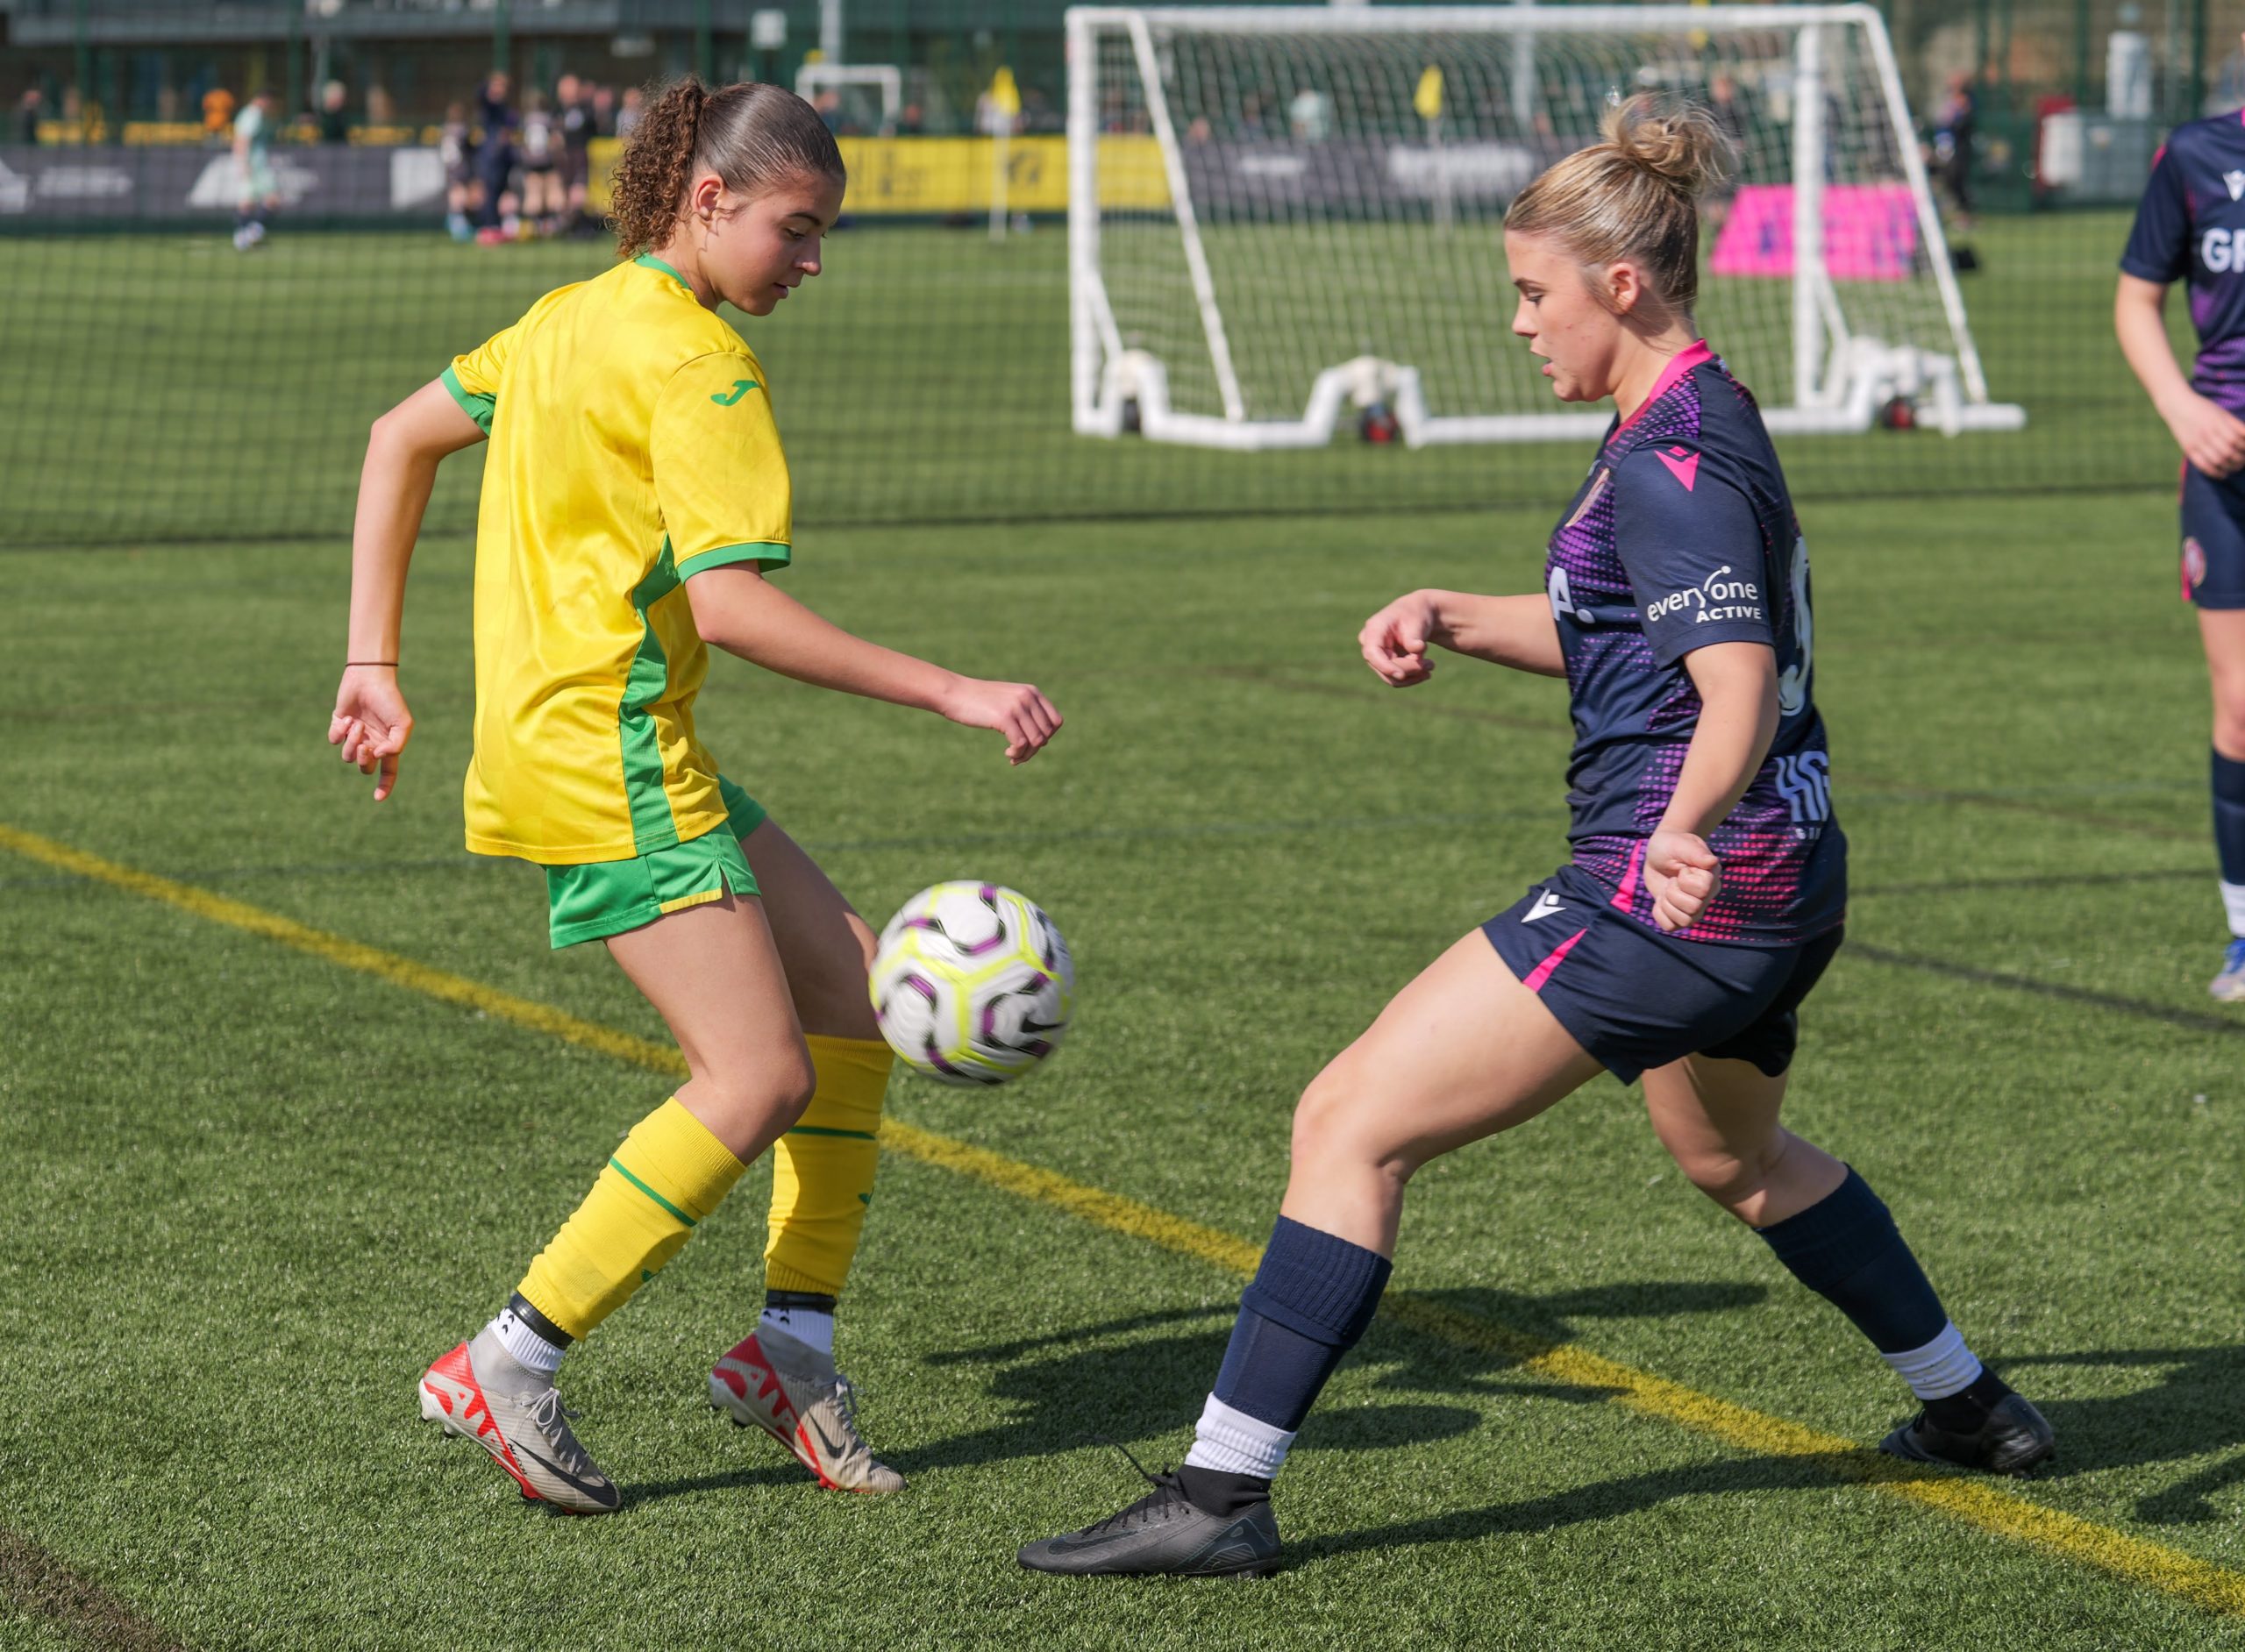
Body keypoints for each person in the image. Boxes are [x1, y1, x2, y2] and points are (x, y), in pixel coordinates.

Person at [1018, 96, 2051, 1580]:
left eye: (1530, 292)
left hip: (1673, 888)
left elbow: (1734, 679)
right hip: (1783, 878)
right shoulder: (1699, 412)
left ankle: (1220, 1494)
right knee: (1736, 1157)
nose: (1517, 323)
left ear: (1617, 284)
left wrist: (1682, 825)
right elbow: (1635, 634)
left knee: (1347, 1120)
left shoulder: (1669, 460)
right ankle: (1970, 1405)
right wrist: (1454, 612)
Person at [330, 77, 1061, 1514]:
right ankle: (510, 1359)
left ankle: (792, 1347)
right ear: (709, 198)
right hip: (608, 756)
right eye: (798, 227)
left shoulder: (564, 315)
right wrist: (954, 689)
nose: (813, 260)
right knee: (758, 1077)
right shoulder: (704, 365)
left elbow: (394, 436)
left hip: (588, 735)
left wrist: (372, 661)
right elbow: (730, 608)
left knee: (851, 1000)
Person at [2116, 38, 2245, 1000]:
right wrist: (2181, 406)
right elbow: (2136, 300)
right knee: (2240, 704)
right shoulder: (2194, 155)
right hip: (2224, 471)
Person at [232, 90, 280, 251]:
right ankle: (250, 234)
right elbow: (242, 139)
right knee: (271, 199)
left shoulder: (254, 114)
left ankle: (245, 235)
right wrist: (243, 163)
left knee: (249, 201)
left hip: (254, 163)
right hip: (254, 164)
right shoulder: (253, 115)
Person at [438, 101, 481, 241]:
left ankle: (457, 223)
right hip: (460, 169)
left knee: (457, 196)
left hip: (449, 169)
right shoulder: (462, 131)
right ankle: (457, 225)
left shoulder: (445, 130)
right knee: (459, 198)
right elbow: (470, 149)